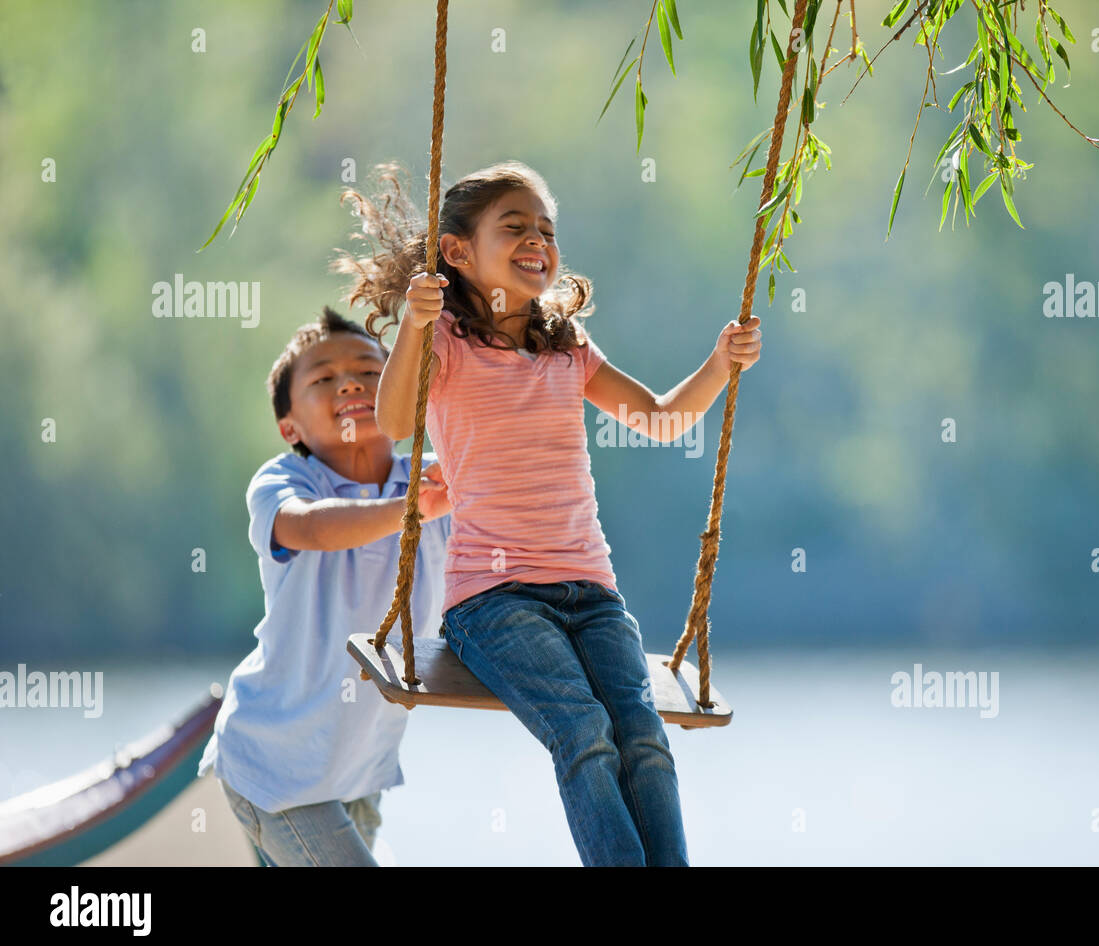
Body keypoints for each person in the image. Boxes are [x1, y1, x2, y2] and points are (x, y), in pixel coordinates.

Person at [333, 160, 762, 867]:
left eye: (546, 230)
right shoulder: (443, 343)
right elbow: (393, 419)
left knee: (643, 737)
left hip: (591, 593)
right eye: (515, 227)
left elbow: (658, 419)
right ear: (457, 252)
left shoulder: (565, 346)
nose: (538, 241)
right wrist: (414, 322)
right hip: (493, 602)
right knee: (583, 729)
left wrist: (719, 364)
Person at [197, 306, 452, 866]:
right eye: (322, 379)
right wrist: (410, 510)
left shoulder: (438, 478)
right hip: (274, 766)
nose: (352, 383)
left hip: (362, 769)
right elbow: (309, 527)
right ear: (290, 428)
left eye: (369, 369)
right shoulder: (285, 480)